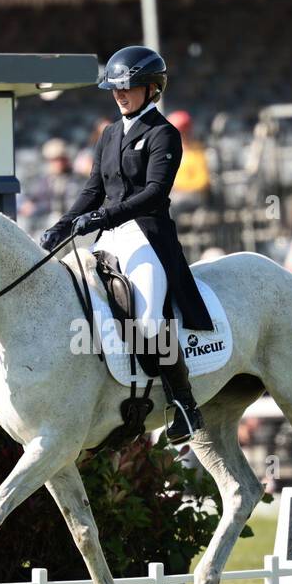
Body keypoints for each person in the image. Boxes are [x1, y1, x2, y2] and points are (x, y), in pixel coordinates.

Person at [40, 45, 212, 442]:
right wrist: (62, 226)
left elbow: (154, 193)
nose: (120, 94)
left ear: (152, 89)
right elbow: (93, 188)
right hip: (110, 236)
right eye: (115, 88)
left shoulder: (163, 134)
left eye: (129, 87)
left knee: (149, 321)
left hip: (146, 236)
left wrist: (101, 217)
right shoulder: (110, 133)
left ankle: (184, 404)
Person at [166, 110, 212, 216]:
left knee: (168, 205)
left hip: (194, 196)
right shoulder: (170, 151)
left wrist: (178, 185)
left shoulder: (197, 151)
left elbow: (203, 181)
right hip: (175, 194)